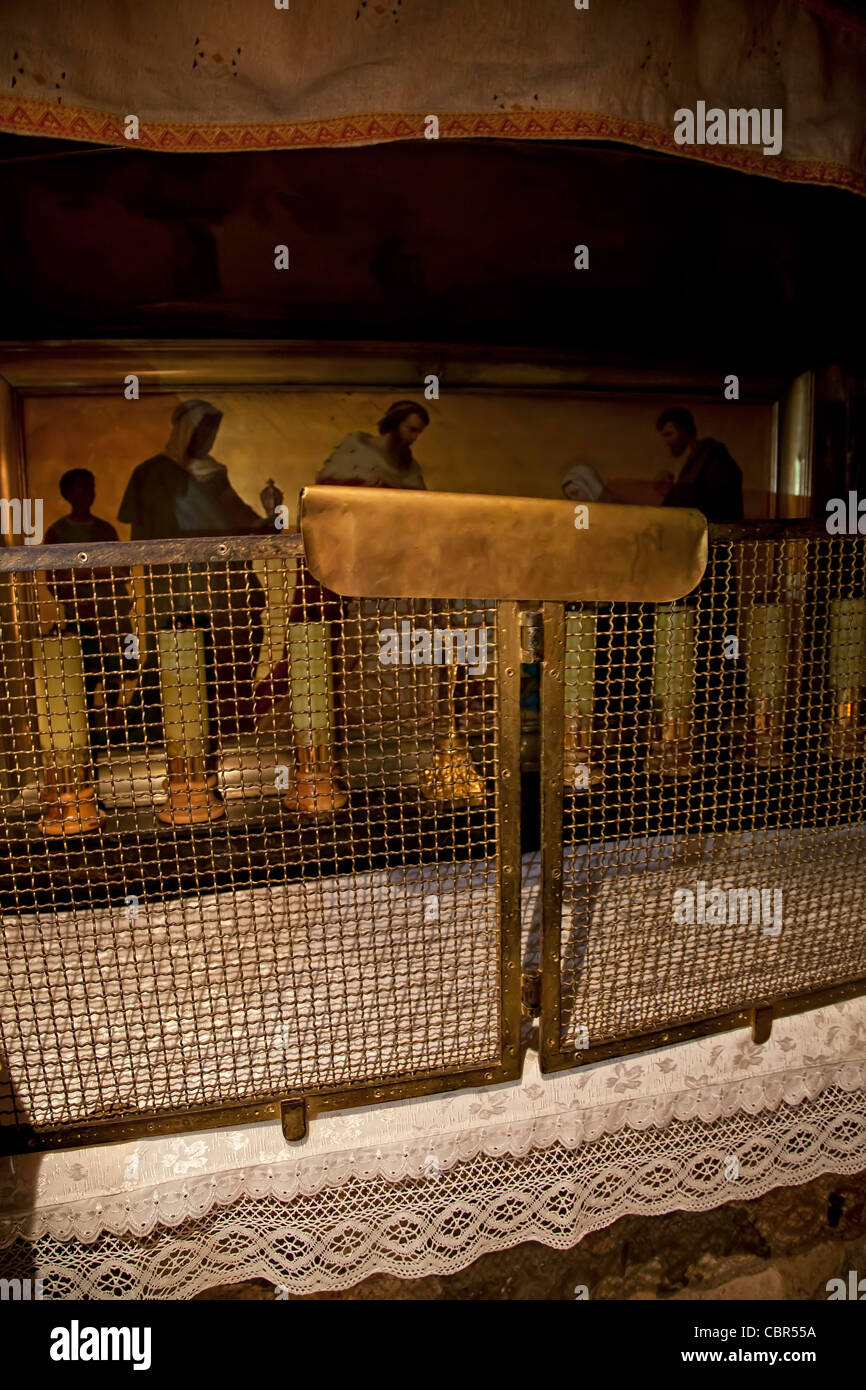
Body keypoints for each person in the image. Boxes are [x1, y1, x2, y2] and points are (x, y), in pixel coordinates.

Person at [118, 399, 281, 740]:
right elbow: (145, 541)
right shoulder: (153, 474)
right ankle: (160, 741)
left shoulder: (214, 476)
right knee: (182, 663)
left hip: (229, 590)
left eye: (212, 430)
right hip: (181, 592)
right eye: (201, 428)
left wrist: (272, 511)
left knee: (232, 660)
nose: (207, 436)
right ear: (184, 430)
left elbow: (249, 525)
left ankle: (229, 737)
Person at [43, 469, 138, 726]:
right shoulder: (57, 532)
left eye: (91, 487)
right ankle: (85, 724)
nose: (88, 493)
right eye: (82, 487)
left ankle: (113, 718)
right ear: (69, 492)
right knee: (85, 670)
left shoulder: (104, 529)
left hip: (111, 614)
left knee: (115, 669)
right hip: (81, 615)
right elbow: (52, 578)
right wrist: (77, 600)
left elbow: (121, 570)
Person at [653, 407, 743, 522]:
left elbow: (715, 502)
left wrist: (672, 492)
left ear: (684, 430)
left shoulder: (713, 454)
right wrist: (670, 492)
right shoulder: (693, 459)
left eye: (669, 434)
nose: (666, 442)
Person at [315, 400, 429, 489]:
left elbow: (418, 502)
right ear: (395, 423)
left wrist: (393, 484)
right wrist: (363, 487)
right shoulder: (356, 448)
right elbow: (326, 489)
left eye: (418, 432)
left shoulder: (410, 467)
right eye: (412, 430)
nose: (415, 437)